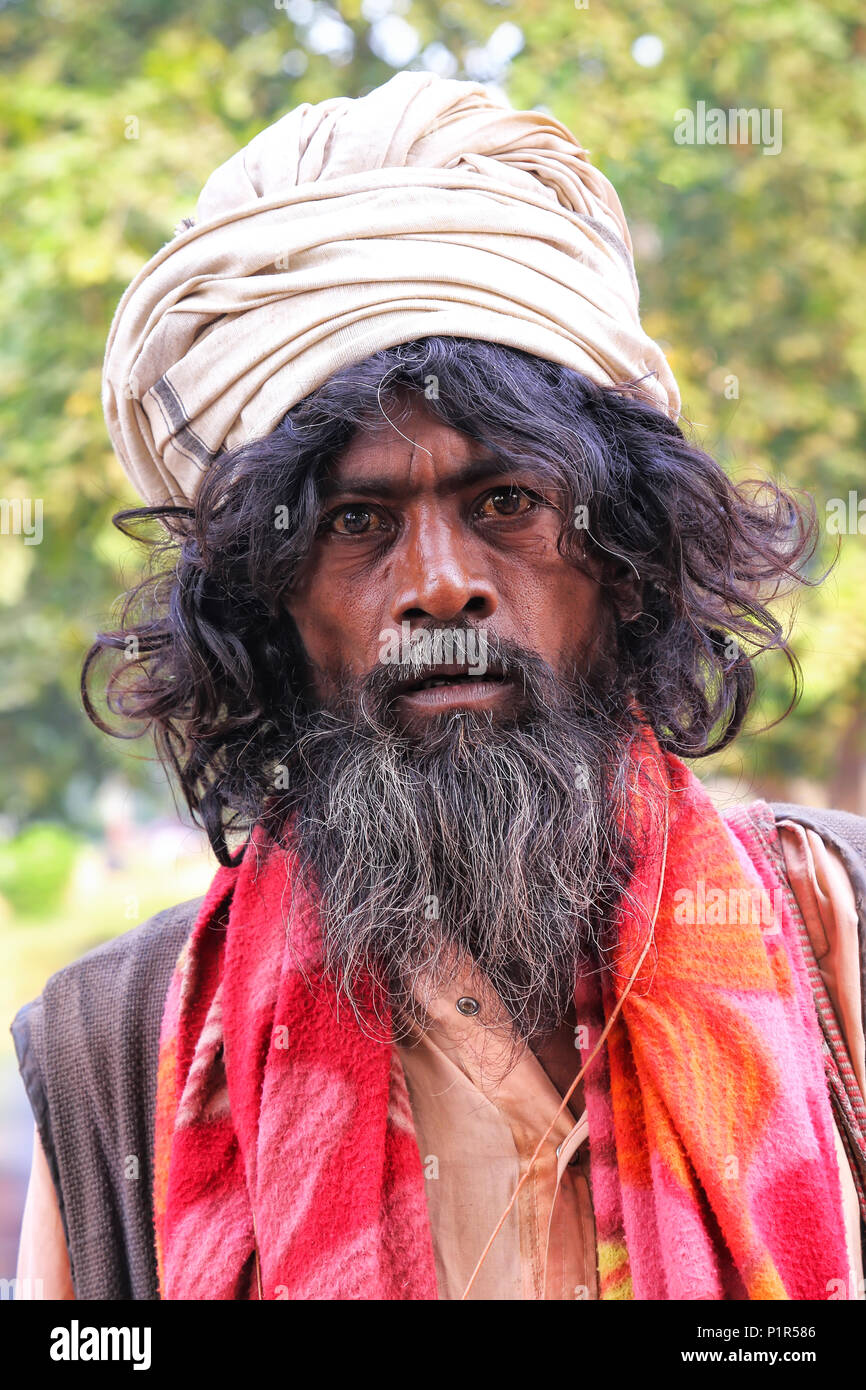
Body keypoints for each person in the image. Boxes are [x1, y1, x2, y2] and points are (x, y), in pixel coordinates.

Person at [12, 72, 866, 1302]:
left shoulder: (834, 940)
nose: (440, 586)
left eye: (505, 504)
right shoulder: (122, 1051)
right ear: (271, 601)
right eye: (357, 519)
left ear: (620, 558)